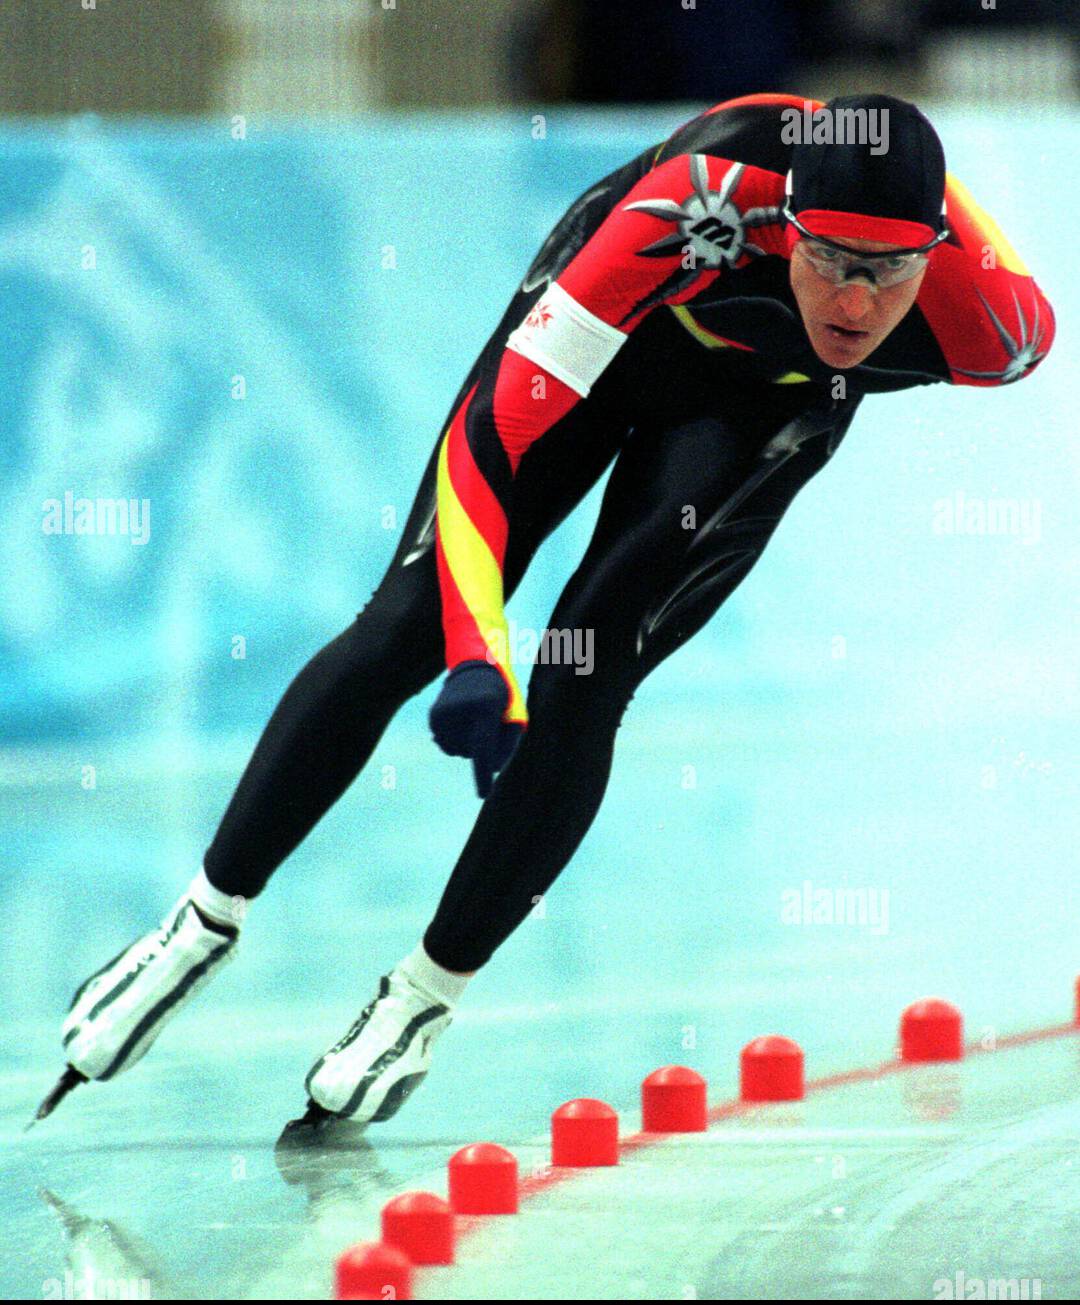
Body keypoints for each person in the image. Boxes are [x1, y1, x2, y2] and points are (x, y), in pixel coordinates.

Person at [50, 94, 1054, 1130]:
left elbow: (903, 272)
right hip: (621, 324)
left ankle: (424, 998)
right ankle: (197, 926)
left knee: (587, 671)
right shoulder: (685, 210)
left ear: (934, 255)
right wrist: (477, 647)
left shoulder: (1001, 331)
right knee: (410, 619)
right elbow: (493, 440)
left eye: (890, 269)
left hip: (758, 400)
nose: (856, 300)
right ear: (784, 225)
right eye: (832, 257)